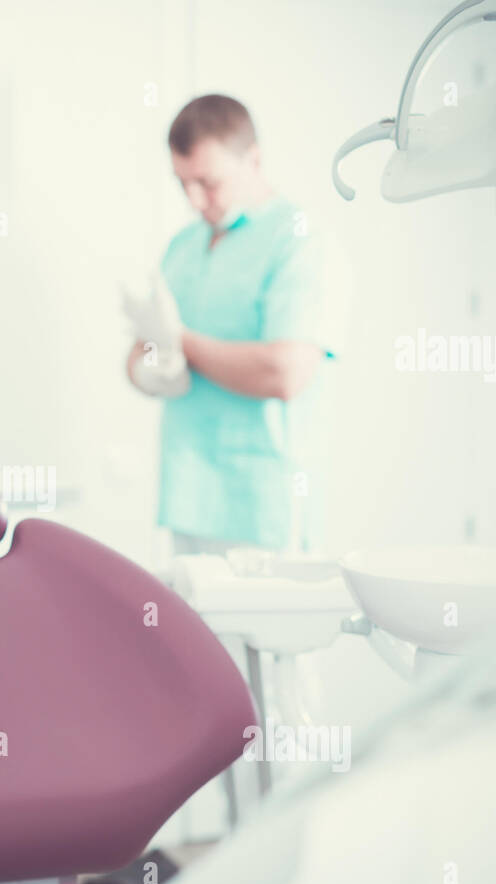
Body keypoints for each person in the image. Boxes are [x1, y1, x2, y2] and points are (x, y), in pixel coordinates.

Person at [124, 94, 342, 557]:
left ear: (254, 159)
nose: (194, 199)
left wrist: (181, 343)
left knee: (263, 629)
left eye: (208, 181)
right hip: (187, 497)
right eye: (182, 183)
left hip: (262, 505)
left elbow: (285, 374)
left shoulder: (298, 241)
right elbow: (137, 353)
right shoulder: (183, 246)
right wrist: (149, 366)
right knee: (192, 630)